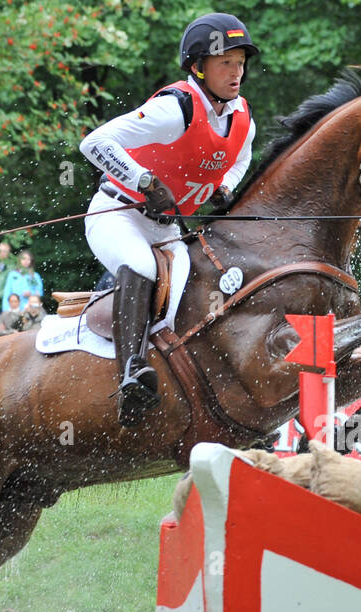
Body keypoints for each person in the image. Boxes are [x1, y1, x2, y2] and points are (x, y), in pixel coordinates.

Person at [79, 12, 259, 424]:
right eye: (225, 64)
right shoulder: (174, 109)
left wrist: (225, 186)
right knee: (141, 267)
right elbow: (94, 142)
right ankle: (130, 376)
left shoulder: (241, 116)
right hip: (116, 213)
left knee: (195, 289)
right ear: (199, 67)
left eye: (240, 64)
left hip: (164, 227)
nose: (236, 73)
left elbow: (242, 156)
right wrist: (142, 180)